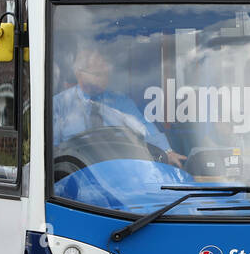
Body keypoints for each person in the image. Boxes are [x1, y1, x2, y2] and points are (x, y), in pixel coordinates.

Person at [52, 43, 186, 167]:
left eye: (106, 74)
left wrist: (167, 152)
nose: (104, 79)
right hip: (76, 175)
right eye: (98, 74)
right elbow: (51, 151)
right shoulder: (59, 104)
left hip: (119, 174)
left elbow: (144, 127)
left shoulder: (121, 102)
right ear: (79, 73)